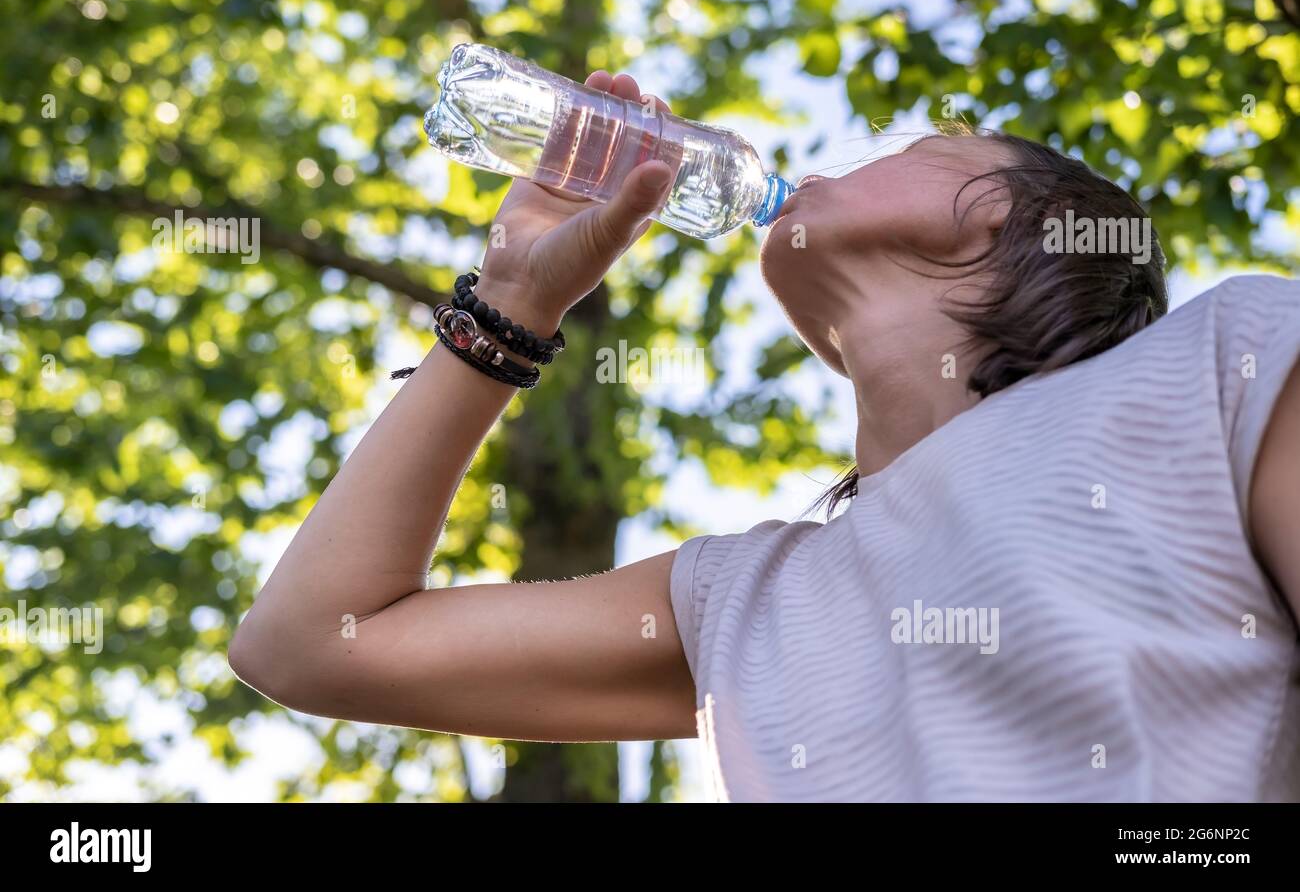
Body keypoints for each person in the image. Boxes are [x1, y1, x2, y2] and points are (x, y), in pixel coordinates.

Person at [229, 70, 1300, 801]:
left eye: (914, 145)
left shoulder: (1224, 361)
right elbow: (309, 643)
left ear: (995, 214)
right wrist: (504, 312)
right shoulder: (743, 595)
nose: (832, 165)